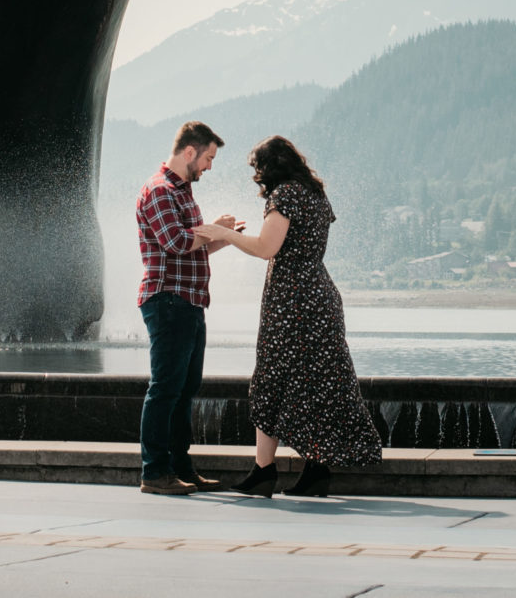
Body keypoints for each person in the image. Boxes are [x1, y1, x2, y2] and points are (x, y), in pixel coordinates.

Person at [194, 135, 382, 498]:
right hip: (320, 296)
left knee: (271, 379)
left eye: (257, 170)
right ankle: (316, 470)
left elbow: (267, 248)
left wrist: (223, 234)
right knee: (318, 382)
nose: (257, 178)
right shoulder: (315, 195)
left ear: (269, 168)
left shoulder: (285, 196)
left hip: (291, 301)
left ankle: (264, 471)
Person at [135, 120, 245, 496]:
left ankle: (180, 468)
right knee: (166, 388)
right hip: (168, 300)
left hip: (189, 302)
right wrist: (213, 229)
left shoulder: (182, 194)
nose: (209, 167)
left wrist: (224, 238)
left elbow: (193, 246)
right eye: (208, 158)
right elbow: (176, 242)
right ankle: (154, 473)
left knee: (185, 389)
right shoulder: (160, 191)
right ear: (189, 152)